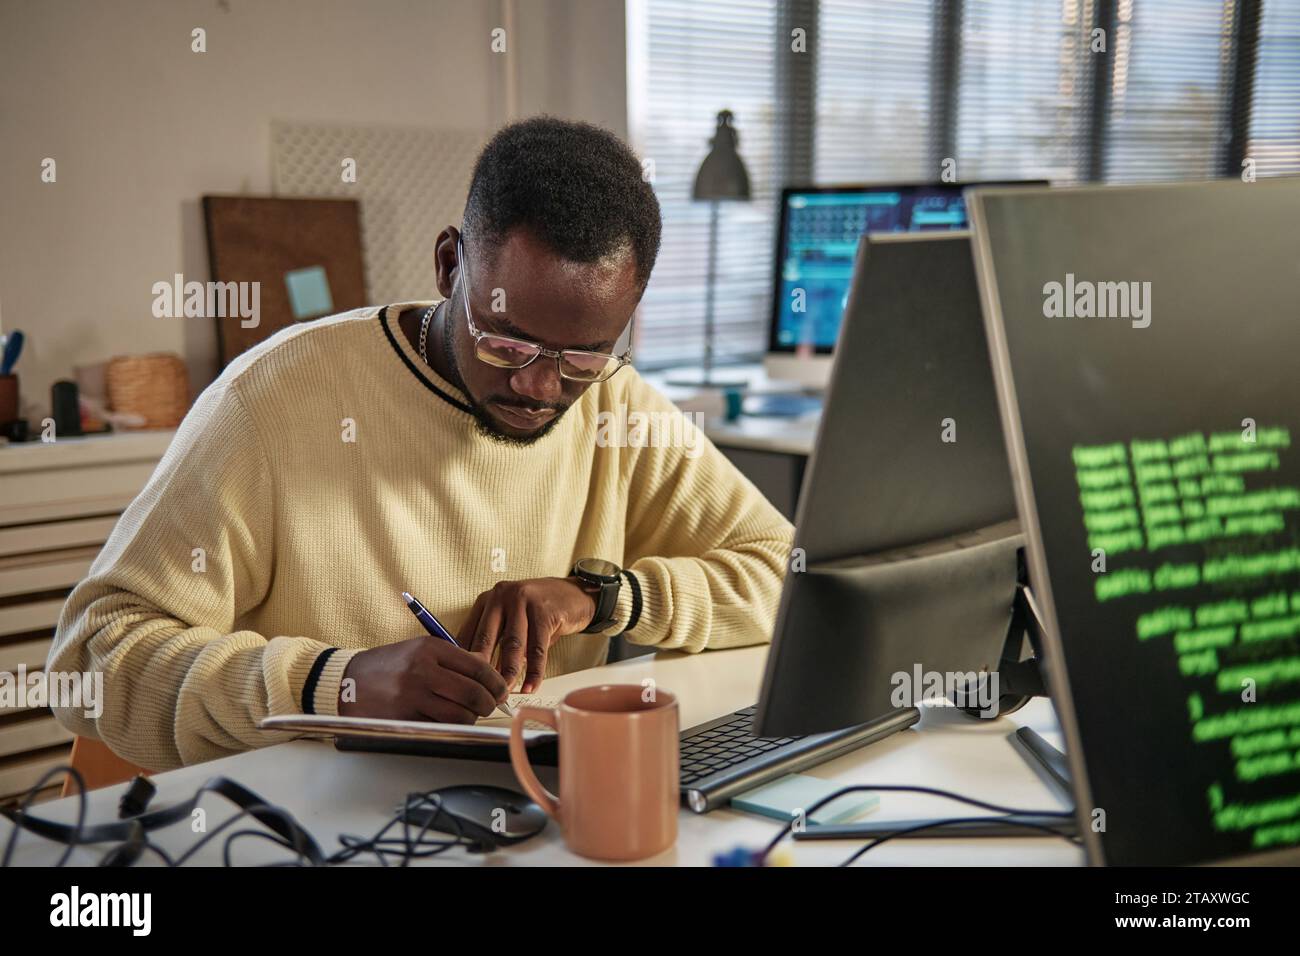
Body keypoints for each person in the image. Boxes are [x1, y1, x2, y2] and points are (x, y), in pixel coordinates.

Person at [49, 117, 794, 771]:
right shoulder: (272, 401)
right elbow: (92, 659)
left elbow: (788, 573)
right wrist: (331, 684)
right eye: (509, 342)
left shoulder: (610, 402)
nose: (541, 389)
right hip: (299, 814)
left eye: (584, 357)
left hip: (511, 812)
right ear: (448, 265)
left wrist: (600, 598)